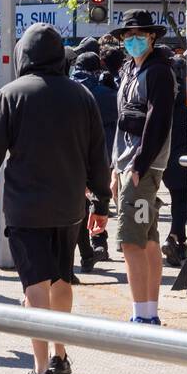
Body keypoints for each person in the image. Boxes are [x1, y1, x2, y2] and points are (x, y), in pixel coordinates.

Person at [0, 24, 110, 374]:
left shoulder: (11, 94)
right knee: (62, 279)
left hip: (26, 206)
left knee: (35, 285)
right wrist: (102, 202)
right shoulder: (82, 96)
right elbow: (99, 156)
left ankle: (40, 368)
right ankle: (60, 355)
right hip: (70, 206)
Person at [110, 10, 174, 324]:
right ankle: (149, 311)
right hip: (128, 164)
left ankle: (142, 314)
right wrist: (115, 166)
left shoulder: (158, 72)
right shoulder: (130, 71)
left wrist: (138, 164)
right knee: (147, 239)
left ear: (151, 36)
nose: (133, 40)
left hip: (141, 167)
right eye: (128, 35)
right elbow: (123, 123)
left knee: (131, 240)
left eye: (139, 34)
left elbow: (158, 120)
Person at [71, 51, 115, 273]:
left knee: (77, 205)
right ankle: (95, 246)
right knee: (97, 201)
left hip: (71, 157)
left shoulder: (68, 90)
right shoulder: (105, 93)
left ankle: (87, 253)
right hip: (100, 156)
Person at [160, 46, 187, 268]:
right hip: (185, 157)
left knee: (177, 200)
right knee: (182, 200)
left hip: (165, 158)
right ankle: (176, 238)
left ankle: (177, 239)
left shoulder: (165, 95)